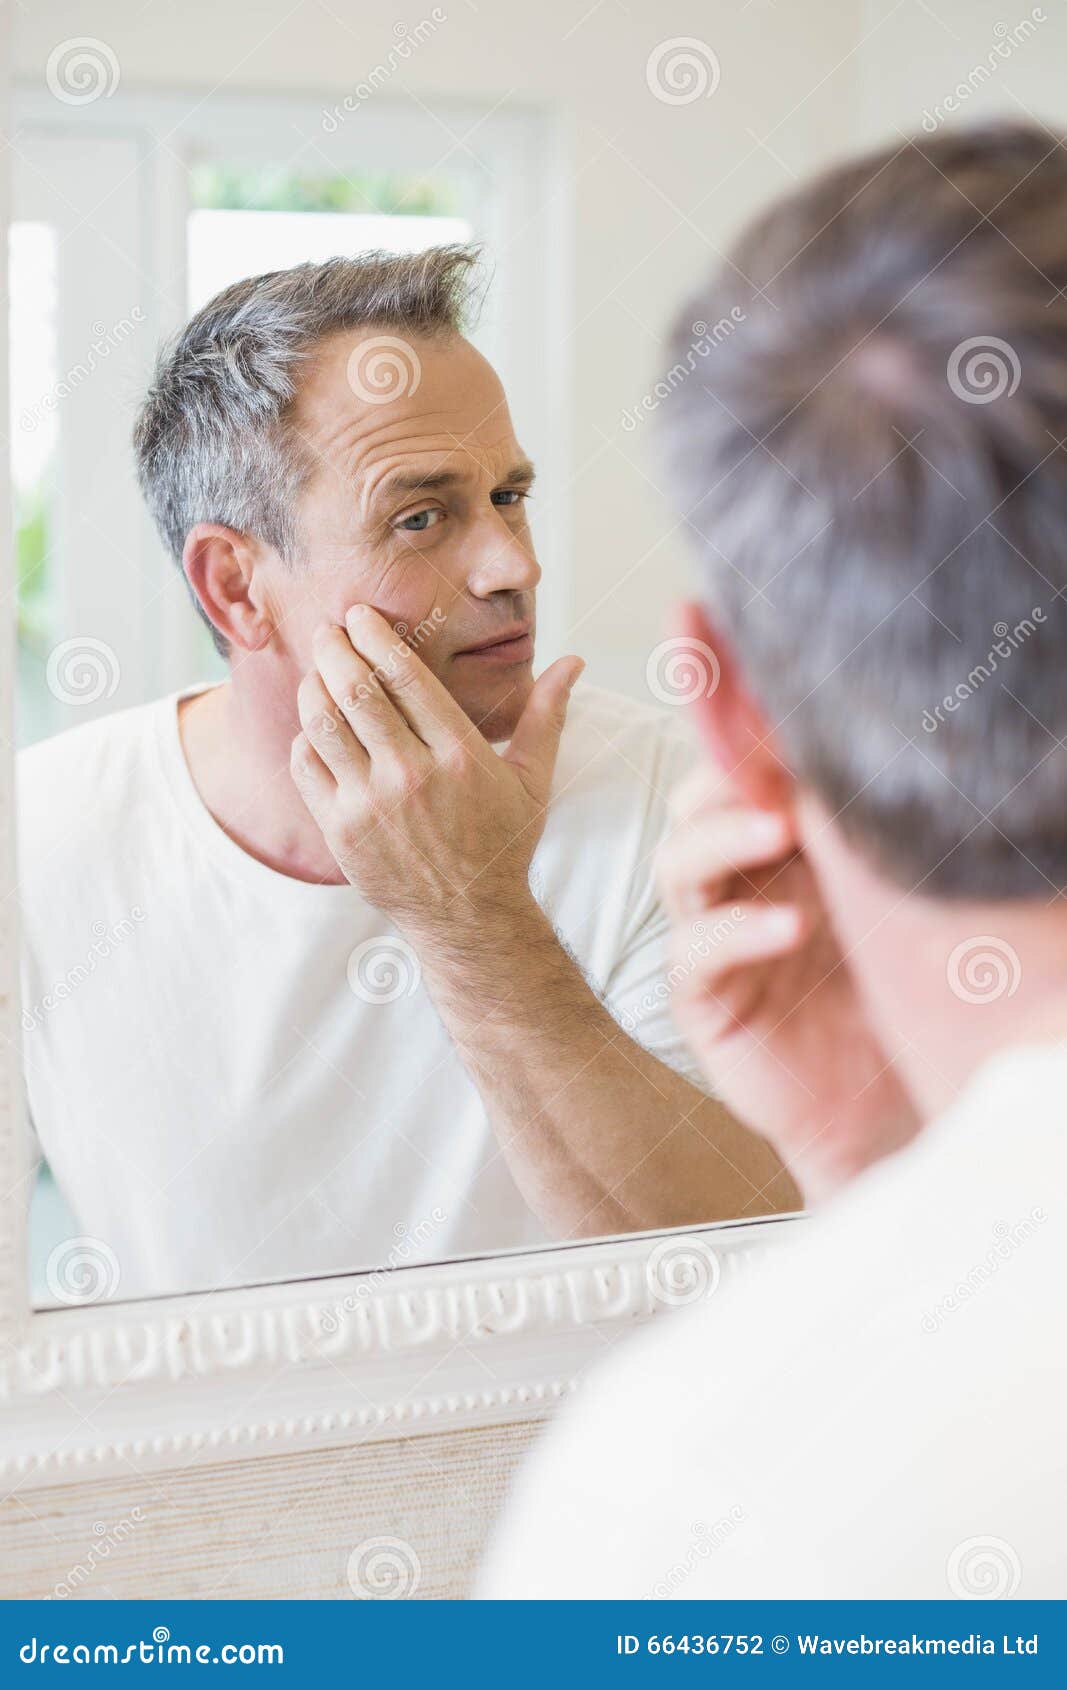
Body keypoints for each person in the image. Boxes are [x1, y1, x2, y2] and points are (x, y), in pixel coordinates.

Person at [480, 122, 1067, 1599]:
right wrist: (889, 1176)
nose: (502, 570)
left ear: (727, 708)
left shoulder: (681, 1510)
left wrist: (885, 1231)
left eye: (508, 498)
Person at [17, 247, 797, 1300]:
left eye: (508, 495)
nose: (513, 564)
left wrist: (472, 915)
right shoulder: (39, 840)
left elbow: (743, 1278)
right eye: (420, 517)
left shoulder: (673, 800)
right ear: (236, 586)